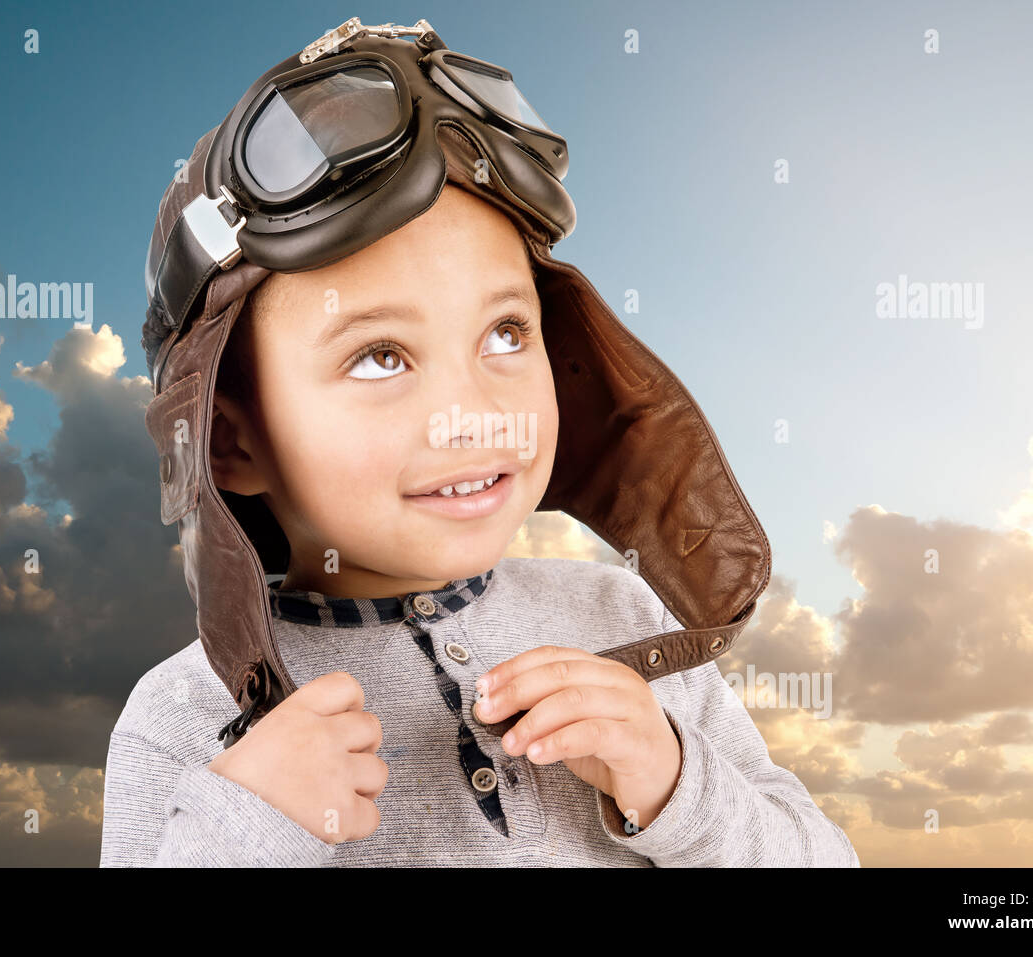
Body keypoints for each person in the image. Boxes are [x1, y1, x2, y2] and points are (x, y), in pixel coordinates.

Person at [100, 17, 860, 867]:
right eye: (381, 356)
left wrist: (674, 777)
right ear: (227, 443)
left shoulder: (624, 615)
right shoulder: (180, 715)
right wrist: (242, 824)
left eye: (505, 333)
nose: (470, 411)